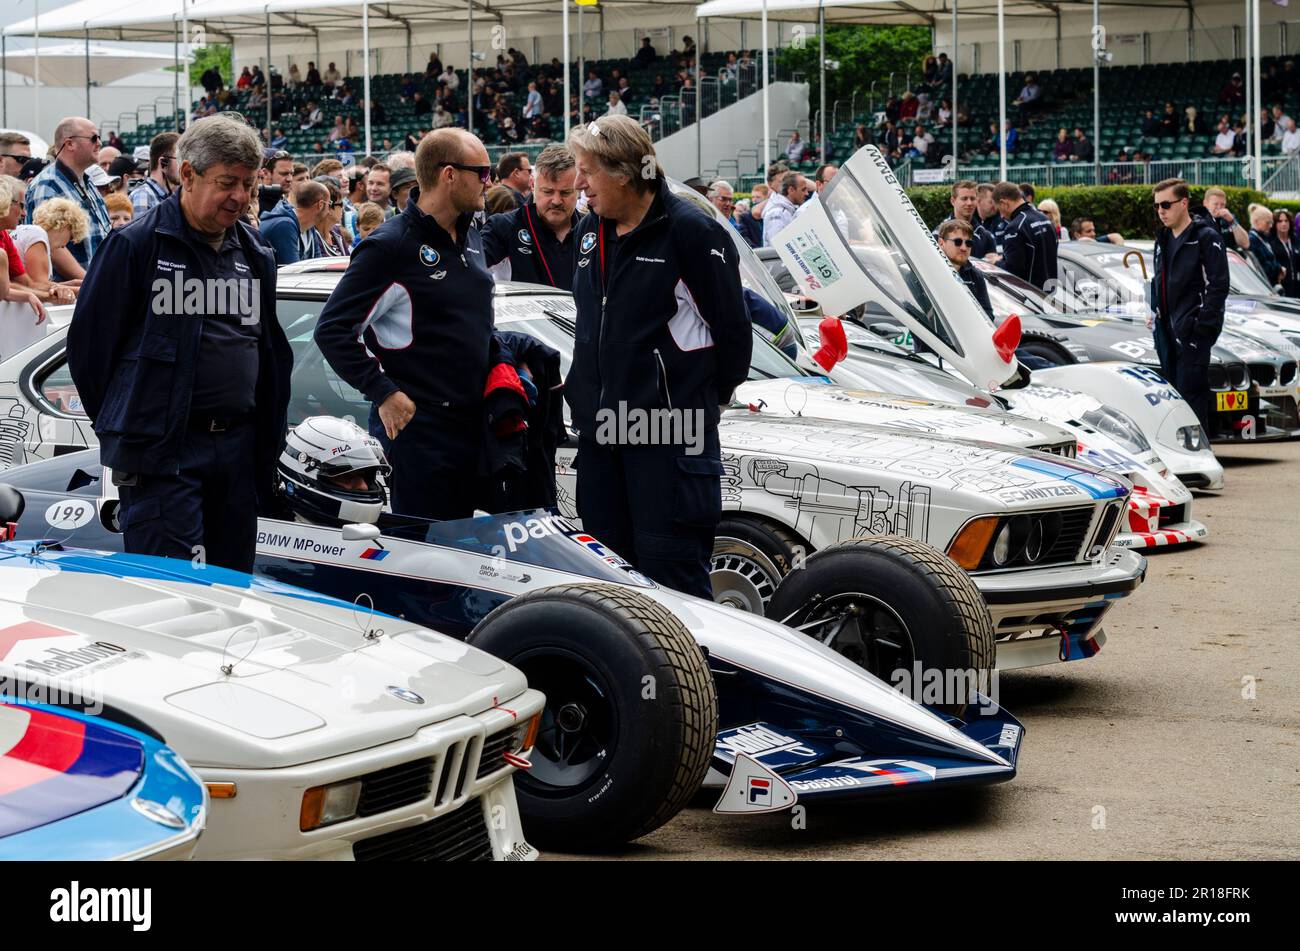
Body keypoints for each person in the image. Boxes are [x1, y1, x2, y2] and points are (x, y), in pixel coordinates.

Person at [65, 113, 291, 573]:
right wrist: (134, 427)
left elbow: (266, 351)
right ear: (187, 174)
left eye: (248, 184)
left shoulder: (255, 253)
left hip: (237, 454)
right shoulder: (136, 244)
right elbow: (90, 352)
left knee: (231, 591)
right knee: (176, 591)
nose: (240, 196)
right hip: (165, 457)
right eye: (227, 183)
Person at [565, 114, 751, 598]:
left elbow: (734, 335)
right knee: (610, 588)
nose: (578, 183)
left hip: (667, 437)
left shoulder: (692, 231)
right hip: (602, 435)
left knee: (674, 587)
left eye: (587, 171)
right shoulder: (590, 231)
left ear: (625, 172)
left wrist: (697, 401)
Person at [315, 128, 500, 520]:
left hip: (473, 427)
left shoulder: (471, 234)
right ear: (449, 175)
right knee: (422, 547)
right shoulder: (390, 245)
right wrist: (384, 392)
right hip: (419, 432)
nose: (489, 181)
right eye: (483, 172)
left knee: (470, 547)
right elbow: (332, 329)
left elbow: (473, 323)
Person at [1149, 177, 1228, 430]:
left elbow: (1218, 285)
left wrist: (1201, 326)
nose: (1161, 211)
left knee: (1191, 396)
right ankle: (1180, 451)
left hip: (1193, 331)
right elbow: (1158, 279)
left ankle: (1198, 451)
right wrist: (1154, 310)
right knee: (1174, 398)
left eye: (1166, 205)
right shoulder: (1162, 238)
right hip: (1166, 331)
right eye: (1157, 206)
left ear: (1183, 203)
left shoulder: (1206, 236)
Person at [480, 144, 579, 290]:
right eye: (548, 192)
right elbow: (467, 272)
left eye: (565, 193)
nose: (556, 201)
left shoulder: (593, 229)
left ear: (579, 188)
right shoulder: (504, 227)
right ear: (532, 185)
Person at [24, 117, 111, 281]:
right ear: (70, 144)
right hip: (73, 293)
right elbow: (53, 247)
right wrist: (90, 285)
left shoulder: (87, 182)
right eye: (93, 138)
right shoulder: (47, 184)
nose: (99, 143)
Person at [12, 196, 86, 303]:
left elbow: (30, 285)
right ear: (64, 226)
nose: (64, 246)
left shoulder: (24, 231)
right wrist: (88, 290)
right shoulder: (38, 234)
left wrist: (69, 285)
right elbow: (39, 285)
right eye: (70, 237)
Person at [994, 180, 1057, 290]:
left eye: (999, 209)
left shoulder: (1015, 227)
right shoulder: (1045, 219)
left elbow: (1013, 271)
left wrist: (995, 263)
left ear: (1003, 203)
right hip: (1050, 291)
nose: (1001, 216)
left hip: (1030, 294)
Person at [259, 179, 329, 264]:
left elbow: (319, 264)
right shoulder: (284, 226)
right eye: (329, 203)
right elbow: (292, 269)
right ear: (320, 205)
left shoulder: (309, 226)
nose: (328, 211)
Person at [938, 218, 993, 318]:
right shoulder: (929, 270)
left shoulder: (976, 276)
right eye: (958, 242)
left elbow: (988, 316)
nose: (964, 248)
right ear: (941, 243)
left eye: (968, 243)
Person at [940, 180, 997, 259]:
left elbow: (991, 264)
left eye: (972, 199)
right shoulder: (940, 233)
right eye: (964, 199)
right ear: (953, 201)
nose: (969, 203)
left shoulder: (986, 236)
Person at [129, 132, 181, 216]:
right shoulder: (143, 196)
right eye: (180, 159)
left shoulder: (173, 196)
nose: (184, 165)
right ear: (163, 163)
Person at [762, 170, 807, 247]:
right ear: (791, 190)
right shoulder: (777, 213)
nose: (807, 193)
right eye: (803, 189)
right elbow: (777, 246)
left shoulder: (787, 210)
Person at [1247, 206, 1285, 287]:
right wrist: (1279, 269)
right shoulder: (1253, 240)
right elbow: (1262, 266)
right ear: (1256, 221)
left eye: (1271, 223)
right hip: (1262, 286)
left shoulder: (1262, 238)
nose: (1270, 226)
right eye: (1268, 222)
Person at [1202, 187, 1250, 251]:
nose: (1219, 207)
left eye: (1222, 204)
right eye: (1216, 204)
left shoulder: (1228, 219)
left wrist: (1232, 221)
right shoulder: (1199, 222)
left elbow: (1246, 244)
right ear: (1205, 203)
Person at [1269, 208, 1300, 297]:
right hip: (1280, 287)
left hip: (1297, 286)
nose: (1284, 224)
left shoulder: (1295, 240)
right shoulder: (1271, 242)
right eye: (1280, 221)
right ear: (1275, 224)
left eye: (1286, 221)